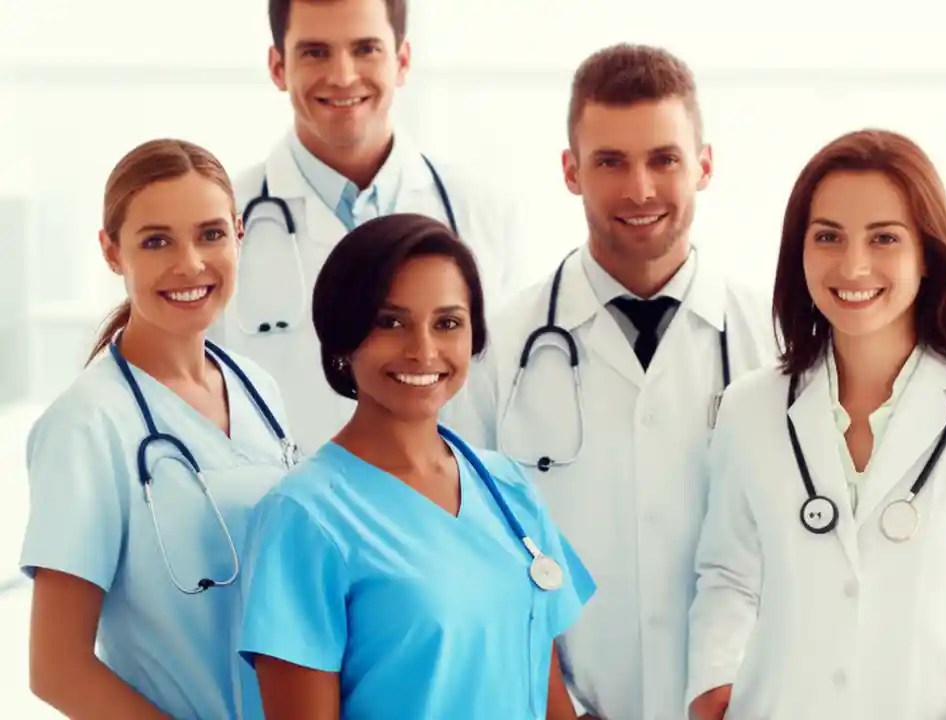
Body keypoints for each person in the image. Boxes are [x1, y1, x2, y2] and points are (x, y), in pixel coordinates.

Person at [684, 129, 946, 719]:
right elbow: (729, 574)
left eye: (884, 237)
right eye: (828, 236)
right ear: (800, 251)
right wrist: (713, 682)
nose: (853, 264)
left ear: (928, 256)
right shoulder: (750, 408)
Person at [441, 44, 776, 720]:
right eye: (611, 162)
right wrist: (554, 705)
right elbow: (470, 561)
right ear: (571, 171)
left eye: (664, 159)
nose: (641, 189)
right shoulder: (496, 351)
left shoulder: (774, 342)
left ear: (704, 165)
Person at [236, 213, 594, 719]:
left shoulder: (506, 486)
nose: (423, 350)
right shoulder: (305, 517)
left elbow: (549, 697)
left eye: (447, 323)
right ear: (343, 335)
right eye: (390, 322)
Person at [19, 139, 294, 719]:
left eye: (211, 234)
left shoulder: (258, 389)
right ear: (112, 252)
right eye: (156, 241)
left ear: (239, 235)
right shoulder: (87, 424)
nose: (190, 263)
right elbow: (56, 669)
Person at [214, 0, 529, 454]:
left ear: (402, 61)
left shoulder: (483, 213)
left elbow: (506, 397)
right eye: (315, 52)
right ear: (278, 66)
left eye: (366, 49)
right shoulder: (220, 224)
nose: (342, 76)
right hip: (282, 516)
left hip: (444, 516)